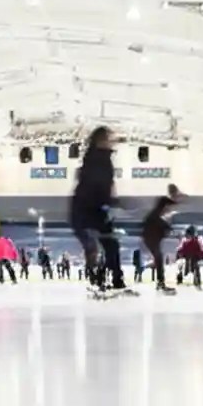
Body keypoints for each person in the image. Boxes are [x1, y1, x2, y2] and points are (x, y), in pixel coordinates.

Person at [70, 126, 125, 293]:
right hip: (89, 208)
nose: (110, 140)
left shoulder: (103, 158)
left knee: (111, 245)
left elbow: (107, 184)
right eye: (107, 137)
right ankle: (101, 279)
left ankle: (112, 280)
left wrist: (111, 202)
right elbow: (92, 185)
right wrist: (105, 203)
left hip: (99, 208)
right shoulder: (94, 159)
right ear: (99, 140)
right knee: (102, 246)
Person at [141, 196, 176, 294]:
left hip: (152, 241)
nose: (168, 209)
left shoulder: (156, 214)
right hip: (151, 241)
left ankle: (160, 283)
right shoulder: (155, 215)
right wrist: (167, 226)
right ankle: (160, 283)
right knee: (159, 259)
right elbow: (162, 225)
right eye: (168, 207)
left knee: (159, 259)